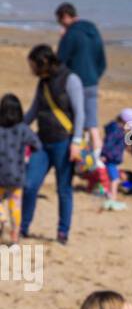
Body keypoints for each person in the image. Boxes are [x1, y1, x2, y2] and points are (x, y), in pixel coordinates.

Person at [21, 44, 84, 244]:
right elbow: (33, 111)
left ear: (44, 63)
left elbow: (80, 113)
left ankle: (63, 232)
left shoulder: (71, 79)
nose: (32, 70)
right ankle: (22, 227)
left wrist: (76, 141)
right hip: (42, 142)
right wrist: (13, 127)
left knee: (63, 189)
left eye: (33, 66)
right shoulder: (43, 83)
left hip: (64, 143)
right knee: (30, 185)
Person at [56, 2, 107, 156]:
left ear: (65, 17)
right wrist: (95, 76)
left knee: (80, 118)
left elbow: (60, 60)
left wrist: (62, 39)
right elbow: (102, 60)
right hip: (92, 80)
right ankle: (94, 155)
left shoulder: (71, 34)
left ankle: (92, 156)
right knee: (91, 120)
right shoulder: (93, 31)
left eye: (59, 21)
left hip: (76, 81)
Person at [0, 93, 41, 244]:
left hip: (0, 175)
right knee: (15, 206)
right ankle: (15, 238)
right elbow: (37, 145)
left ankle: (2, 218)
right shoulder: (23, 129)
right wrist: (27, 155)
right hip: (17, 175)